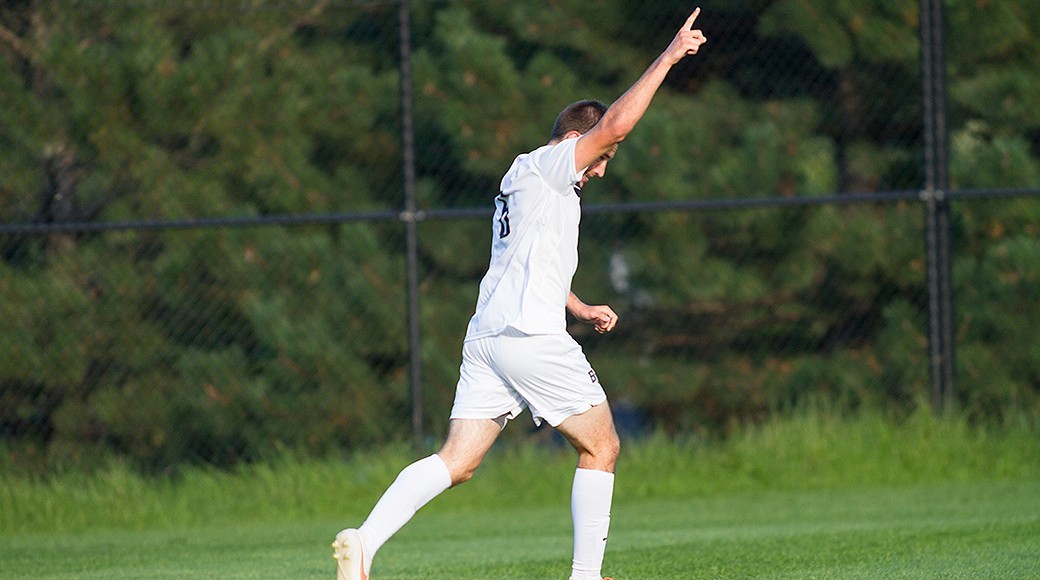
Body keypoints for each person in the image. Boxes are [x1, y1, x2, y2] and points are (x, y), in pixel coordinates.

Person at [333, 9, 707, 580]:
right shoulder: (550, 166)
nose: (602, 170)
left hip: (489, 336)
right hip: (530, 337)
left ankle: (364, 543)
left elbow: (527, 261)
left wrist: (577, 304)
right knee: (602, 446)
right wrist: (668, 57)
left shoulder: (527, 177)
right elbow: (616, 127)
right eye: (601, 159)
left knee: (456, 463)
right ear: (576, 141)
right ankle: (586, 575)